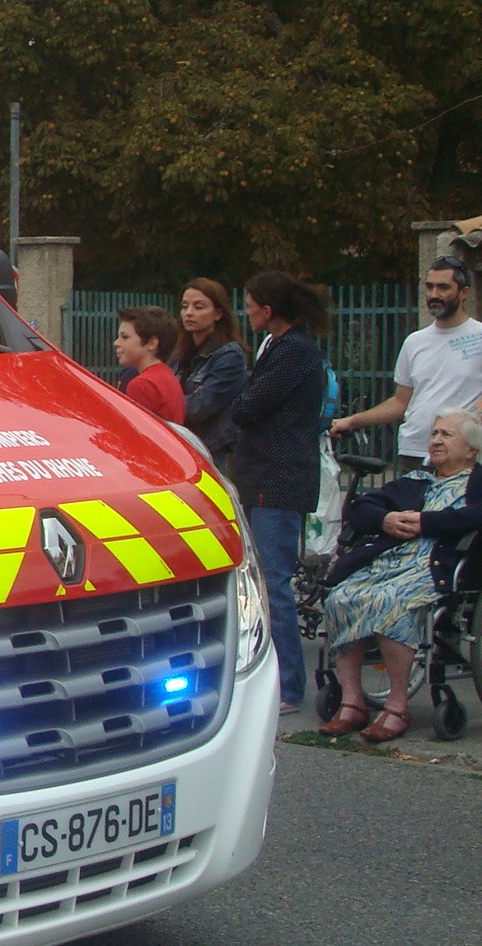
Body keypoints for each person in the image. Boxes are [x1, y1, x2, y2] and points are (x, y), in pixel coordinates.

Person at [316, 409, 482, 741]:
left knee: (392, 601)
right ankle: (352, 702)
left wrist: (427, 522)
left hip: (435, 566)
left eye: (446, 435)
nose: (435, 440)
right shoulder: (416, 481)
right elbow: (359, 508)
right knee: (343, 596)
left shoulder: (477, 483)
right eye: (434, 433)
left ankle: (397, 705)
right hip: (390, 561)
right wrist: (386, 519)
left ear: (471, 450)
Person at [230, 272, 331, 714]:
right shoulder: (278, 347)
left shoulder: (295, 352)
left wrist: (241, 404)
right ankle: (277, 676)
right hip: (264, 477)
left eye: (250, 305)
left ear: (267, 310)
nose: (246, 312)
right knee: (265, 581)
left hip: (279, 478)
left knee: (274, 581)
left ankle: (289, 684)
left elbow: (251, 406)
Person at [330, 256, 482, 473]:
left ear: (464, 293)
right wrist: (352, 421)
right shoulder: (415, 341)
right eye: (429, 287)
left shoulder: (479, 336)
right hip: (413, 453)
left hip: (460, 458)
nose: (433, 295)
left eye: (443, 287)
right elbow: (400, 402)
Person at [172, 278, 249, 465]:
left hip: (214, 450)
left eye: (199, 307)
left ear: (218, 313)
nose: (189, 313)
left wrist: (169, 403)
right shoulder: (181, 353)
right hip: (184, 445)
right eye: (184, 306)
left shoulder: (229, 355)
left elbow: (200, 406)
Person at [114, 306, 185, 423]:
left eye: (125, 337)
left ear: (152, 343)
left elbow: (137, 432)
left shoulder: (141, 385)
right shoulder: (167, 375)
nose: (116, 343)